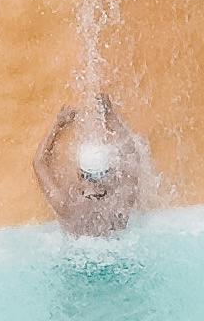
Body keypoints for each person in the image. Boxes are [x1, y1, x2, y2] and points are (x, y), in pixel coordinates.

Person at [32, 93, 152, 240]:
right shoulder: (121, 200)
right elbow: (131, 155)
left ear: (80, 174)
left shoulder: (67, 206)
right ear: (110, 170)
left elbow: (39, 162)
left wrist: (58, 124)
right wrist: (110, 115)